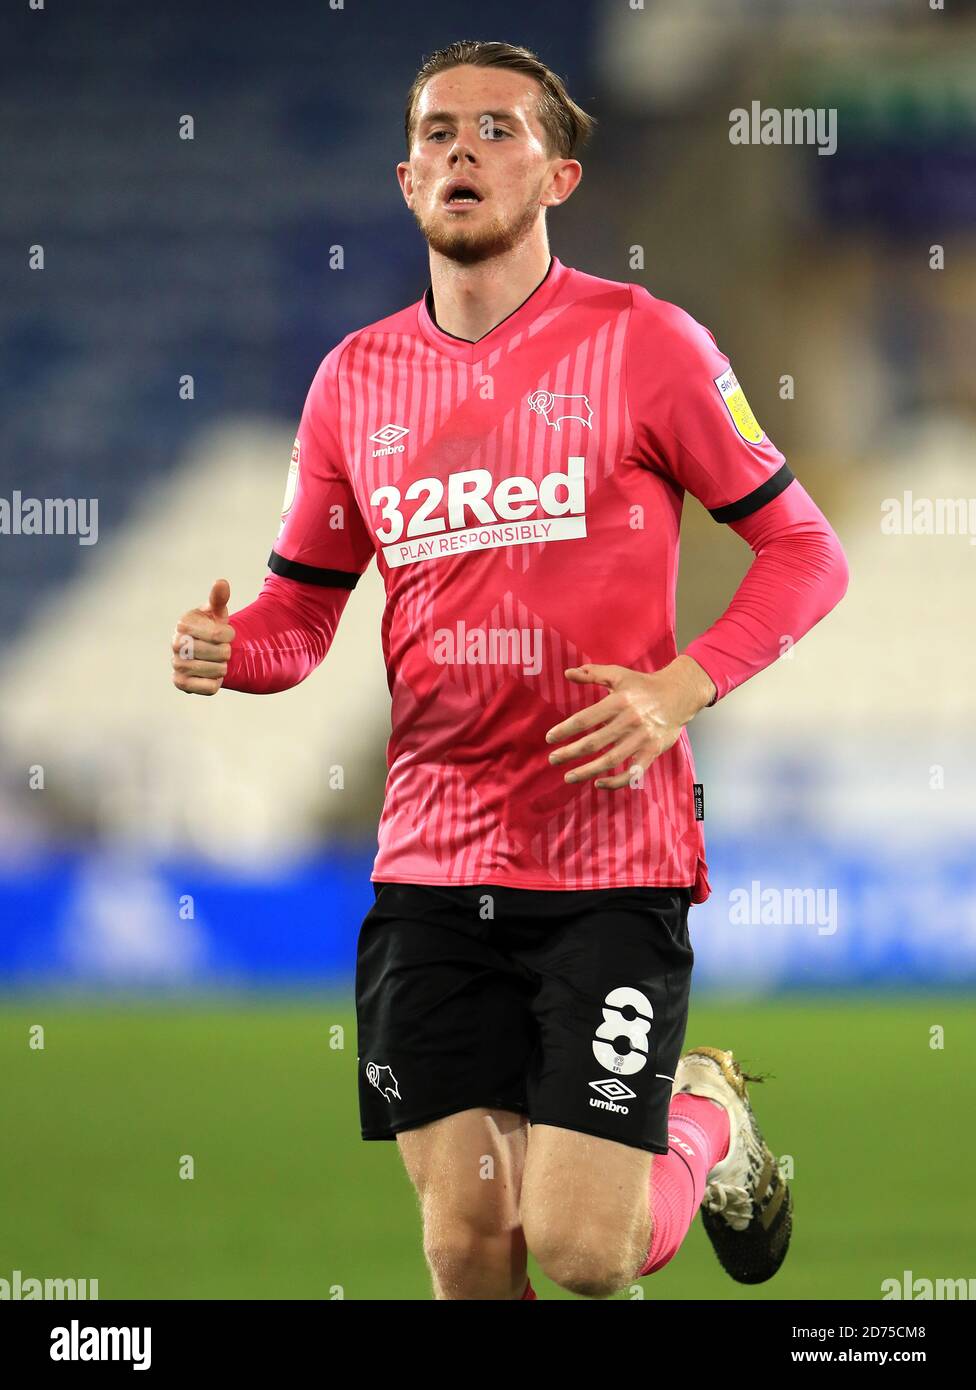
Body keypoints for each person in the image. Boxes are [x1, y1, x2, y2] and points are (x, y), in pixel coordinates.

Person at [171, 40, 848, 1300]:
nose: (461, 150)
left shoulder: (645, 342)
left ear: (560, 177)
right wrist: (229, 653)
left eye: (497, 129)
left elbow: (804, 550)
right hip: (431, 865)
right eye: (436, 132)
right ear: (404, 177)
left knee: (582, 1250)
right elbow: (296, 621)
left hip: (608, 862)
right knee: (472, 1254)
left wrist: (682, 685)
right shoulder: (351, 384)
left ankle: (708, 1117)